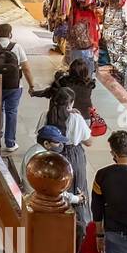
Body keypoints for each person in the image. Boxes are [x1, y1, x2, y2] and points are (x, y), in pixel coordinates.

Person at [43, 87, 93, 241]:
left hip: (53, 156)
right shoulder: (76, 119)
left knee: (58, 189)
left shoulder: (45, 116)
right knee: (79, 189)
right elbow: (89, 141)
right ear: (70, 104)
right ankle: (80, 232)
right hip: (73, 156)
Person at [0, 23, 36, 153]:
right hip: (14, 86)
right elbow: (26, 68)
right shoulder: (17, 47)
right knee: (11, 112)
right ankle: (10, 143)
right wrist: (31, 85)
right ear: (10, 34)